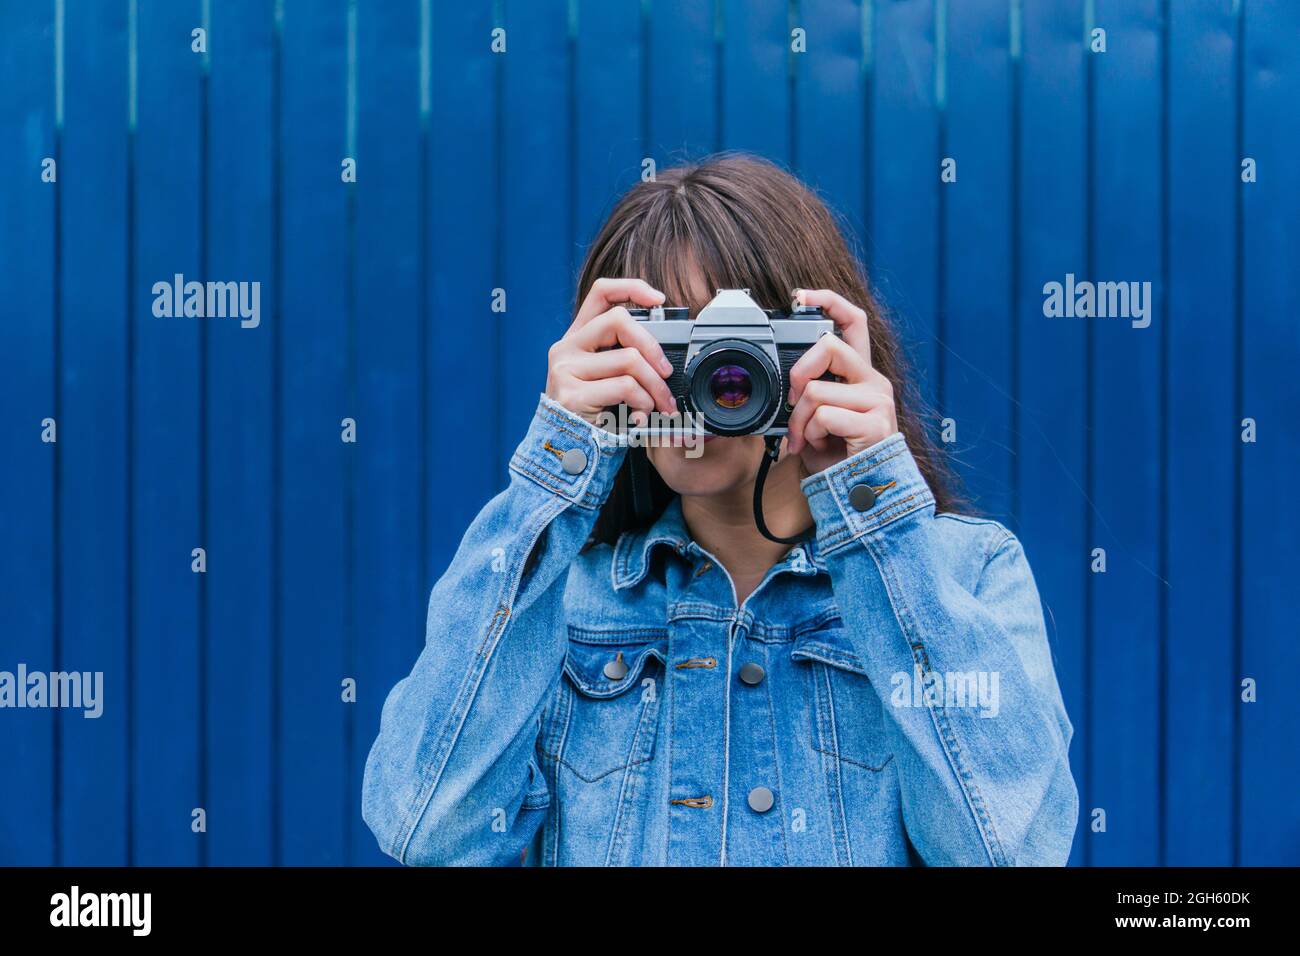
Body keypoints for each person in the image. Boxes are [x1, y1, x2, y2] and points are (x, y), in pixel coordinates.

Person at [362, 153, 1078, 866]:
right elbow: (428, 830)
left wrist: (875, 511)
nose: (702, 384)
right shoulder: (563, 604)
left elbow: (1009, 852)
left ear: (816, 350)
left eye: (730, 352)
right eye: (665, 346)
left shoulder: (964, 576)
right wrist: (558, 468)